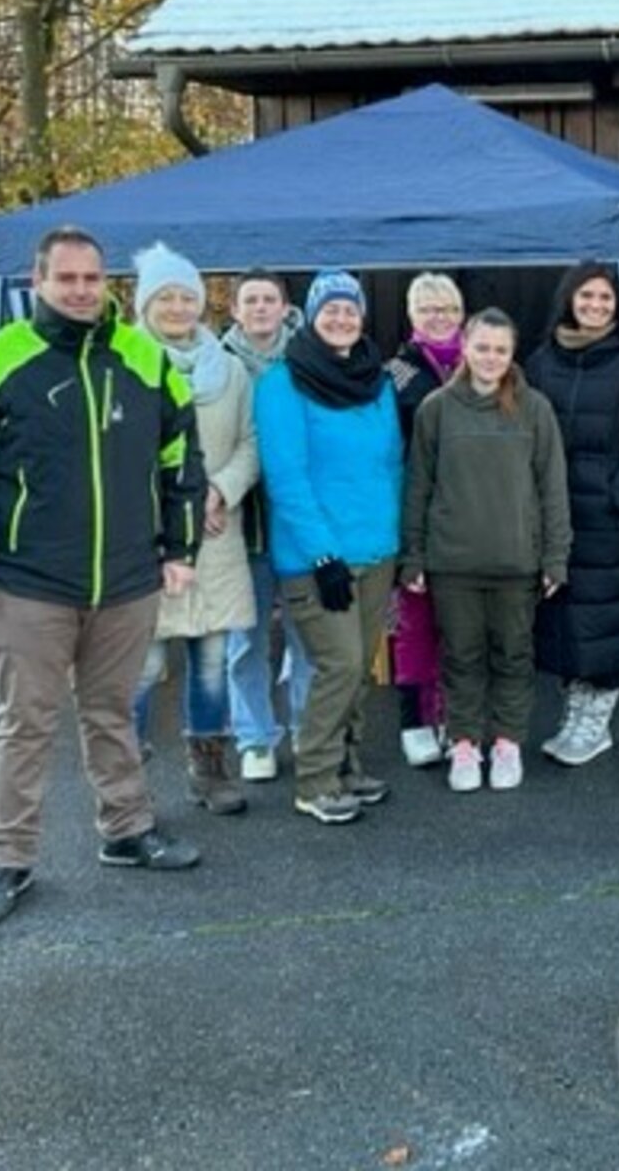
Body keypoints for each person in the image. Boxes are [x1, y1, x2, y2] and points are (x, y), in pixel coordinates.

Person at [0, 226, 204, 924]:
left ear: (107, 282)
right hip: (28, 584)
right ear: (37, 282)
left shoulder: (145, 359)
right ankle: (7, 860)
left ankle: (128, 830)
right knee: (26, 723)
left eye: (91, 278)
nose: (81, 290)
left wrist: (180, 549)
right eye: (66, 279)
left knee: (113, 713)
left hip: (128, 580)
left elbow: (181, 459)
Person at [254, 270, 403, 826]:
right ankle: (315, 777)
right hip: (318, 558)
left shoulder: (378, 382)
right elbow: (286, 477)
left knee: (359, 665)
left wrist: (398, 540)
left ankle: (348, 763)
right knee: (337, 664)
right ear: (311, 316)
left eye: (350, 310)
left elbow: (393, 463)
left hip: (376, 547)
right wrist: (322, 554)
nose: (341, 319)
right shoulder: (282, 384)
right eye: (329, 309)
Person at [400, 309, 572, 791]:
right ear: (465, 348)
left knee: (514, 656)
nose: (490, 357)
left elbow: (552, 487)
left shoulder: (534, 409)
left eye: (500, 349)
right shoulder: (436, 408)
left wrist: (555, 555)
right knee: (461, 657)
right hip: (452, 563)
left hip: (517, 562)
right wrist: (413, 556)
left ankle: (507, 743)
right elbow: (419, 489)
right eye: (482, 347)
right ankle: (464, 744)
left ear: (512, 353)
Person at [129, 244, 260, 817]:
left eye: (187, 297)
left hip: (214, 530)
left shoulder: (228, 368)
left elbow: (251, 442)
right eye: (166, 297)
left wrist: (221, 488)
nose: (178, 307)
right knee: (142, 663)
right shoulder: (125, 362)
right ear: (145, 304)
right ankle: (123, 776)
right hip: (145, 536)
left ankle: (210, 766)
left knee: (211, 658)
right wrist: (169, 503)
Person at [524, 263, 619, 767]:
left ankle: (596, 723)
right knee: (562, 618)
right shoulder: (542, 362)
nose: (596, 306)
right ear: (569, 300)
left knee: (604, 620)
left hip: (607, 515)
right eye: (587, 296)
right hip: (554, 512)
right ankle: (573, 713)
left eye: (606, 299)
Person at [219, 270, 303, 782]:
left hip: (297, 520)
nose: (260, 308)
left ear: (284, 307)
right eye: (250, 300)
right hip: (239, 520)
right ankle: (254, 738)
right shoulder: (217, 364)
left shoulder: (307, 357)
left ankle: (309, 731)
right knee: (245, 639)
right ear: (235, 310)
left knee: (306, 636)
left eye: (269, 299)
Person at [385, 272, 466, 766]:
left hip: (469, 514)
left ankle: (455, 712)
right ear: (412, 316)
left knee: (461, 619)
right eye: (427, 308)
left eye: (448, 308)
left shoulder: (482, 363)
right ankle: (415, 717)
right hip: (413, 508)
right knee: (414, 617)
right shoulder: (395, 371)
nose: (438, 317)